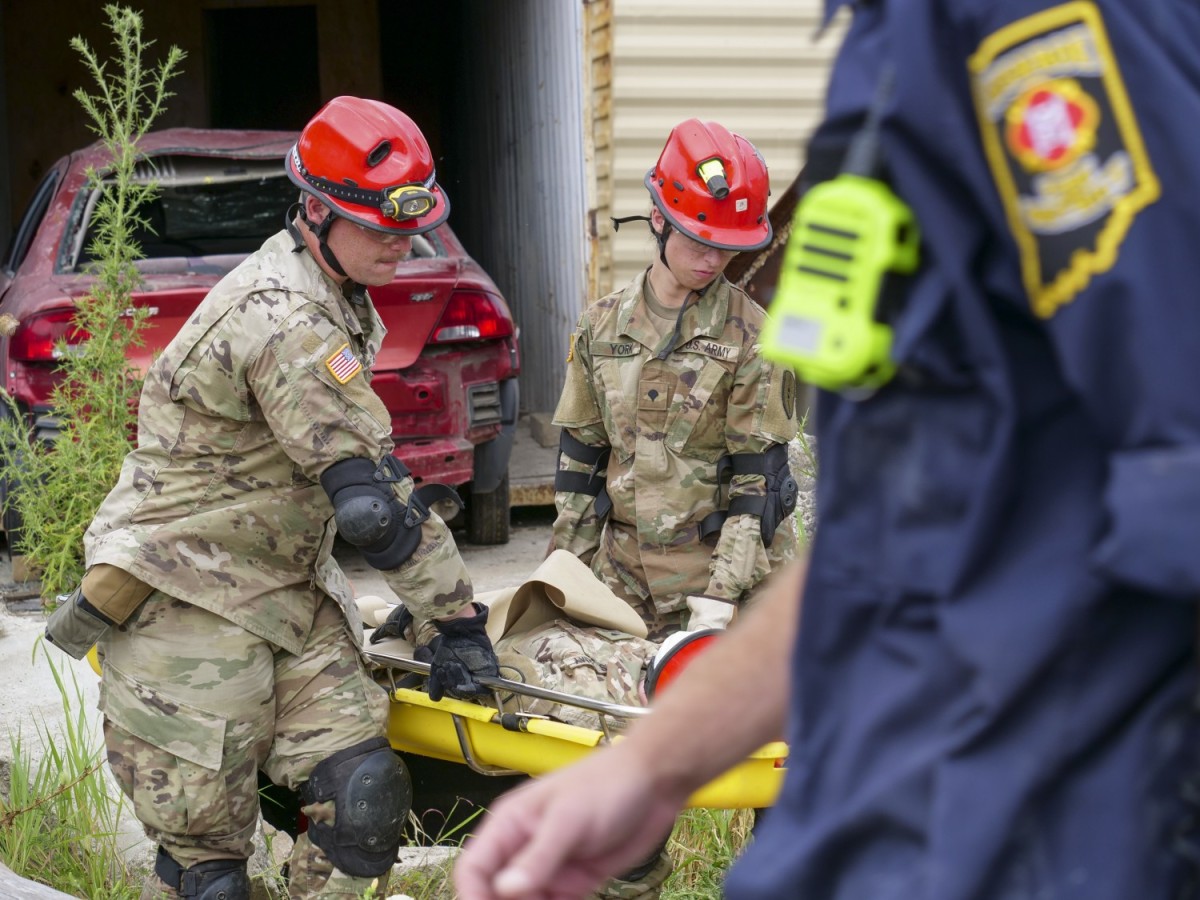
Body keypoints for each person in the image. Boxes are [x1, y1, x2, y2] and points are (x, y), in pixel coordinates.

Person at [455, 1, 1200, 898]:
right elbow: (889, 535)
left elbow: (1169, 473)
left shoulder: (1045, 39)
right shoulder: (893, 58)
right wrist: (647, 769)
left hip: (1056, 806)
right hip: (894, 786)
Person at [63, 97, 500, 899]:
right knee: (211, 874)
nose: (399, 244)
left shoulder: (332, 288)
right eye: (378, 227)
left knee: (364, 798)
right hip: (186, 595)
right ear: (316, 211)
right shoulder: (285, 316)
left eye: (410, 228)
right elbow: (372, 506)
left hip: (284, 591)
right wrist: (455, 621)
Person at [551, 118, 801, 641]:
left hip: (726, 591)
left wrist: (720, 601)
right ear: (658, 221)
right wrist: (560, 578)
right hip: (623, 588)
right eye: (699, 241)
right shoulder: (600, 326)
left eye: (728, 246)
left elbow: (760, 487)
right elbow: (580, 470)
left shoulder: (755, 337)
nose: (714, 260)